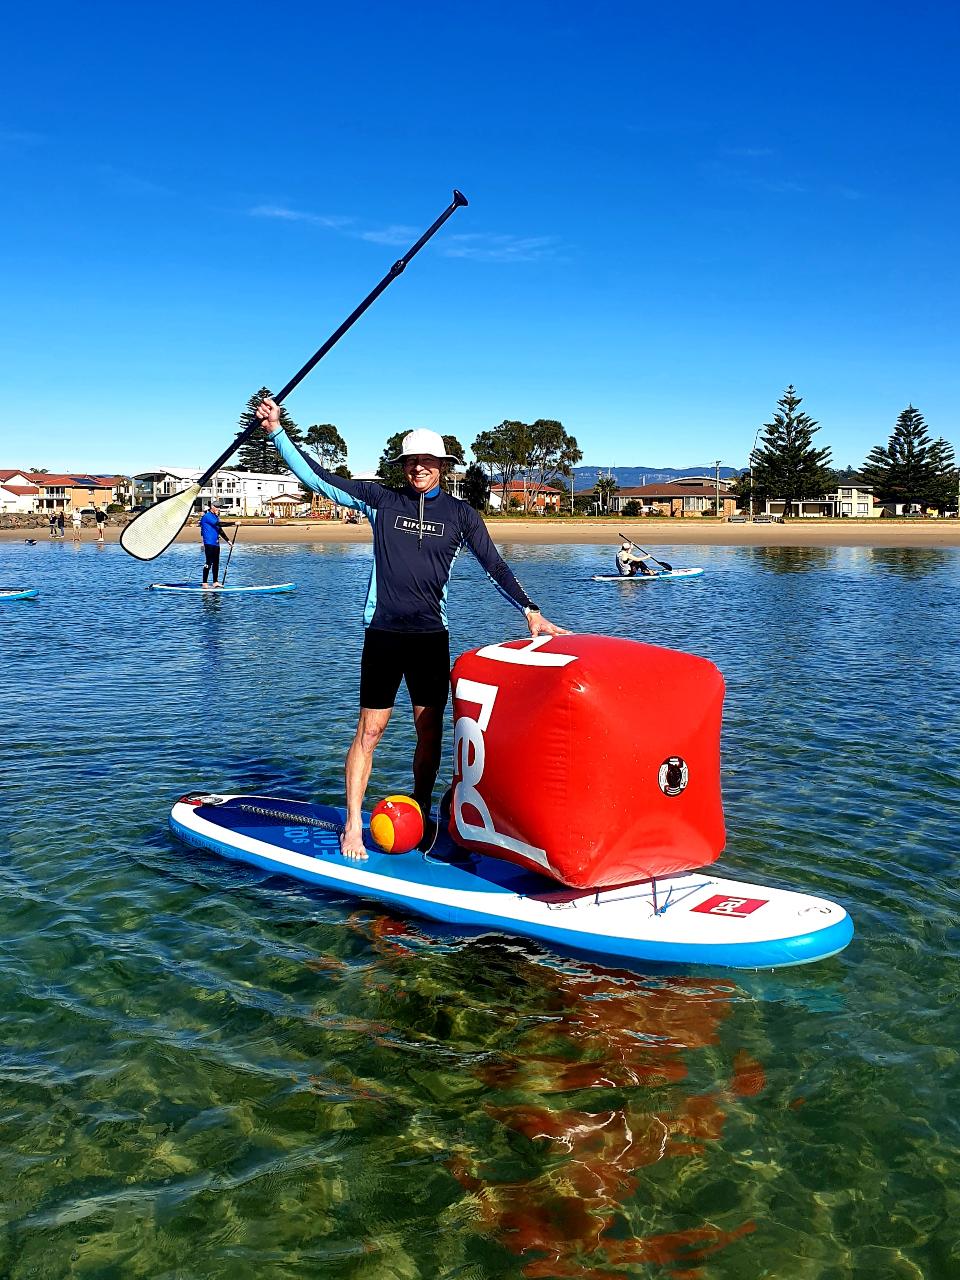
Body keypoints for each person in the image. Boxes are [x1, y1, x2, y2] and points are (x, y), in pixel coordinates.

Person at [255, 396, 568, 860]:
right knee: (370, 730)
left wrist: (530, 610)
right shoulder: (382, 500)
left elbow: (494, 565)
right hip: (383, 633)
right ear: (402, 464)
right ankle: (353, 828)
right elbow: (317, 478)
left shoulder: (462, 515)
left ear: (441, 464)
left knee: (430, 731)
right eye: (411, 460)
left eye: (427, 461)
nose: (418, 468)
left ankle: (421, 811)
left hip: (429, 637)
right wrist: (278, 431)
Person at [198, 500, 232, 588]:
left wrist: (227, 540)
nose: (218, 508)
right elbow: (220, 524)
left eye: (219, 507)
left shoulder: (215, 517)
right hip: (209, 543)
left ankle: (215, 582)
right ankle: (204, 583)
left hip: (216, 543)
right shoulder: (207, 516)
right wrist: (234, 523)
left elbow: (219, 529)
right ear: (212, 507)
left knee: (216, 563)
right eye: (217, 507)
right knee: (209, 562)